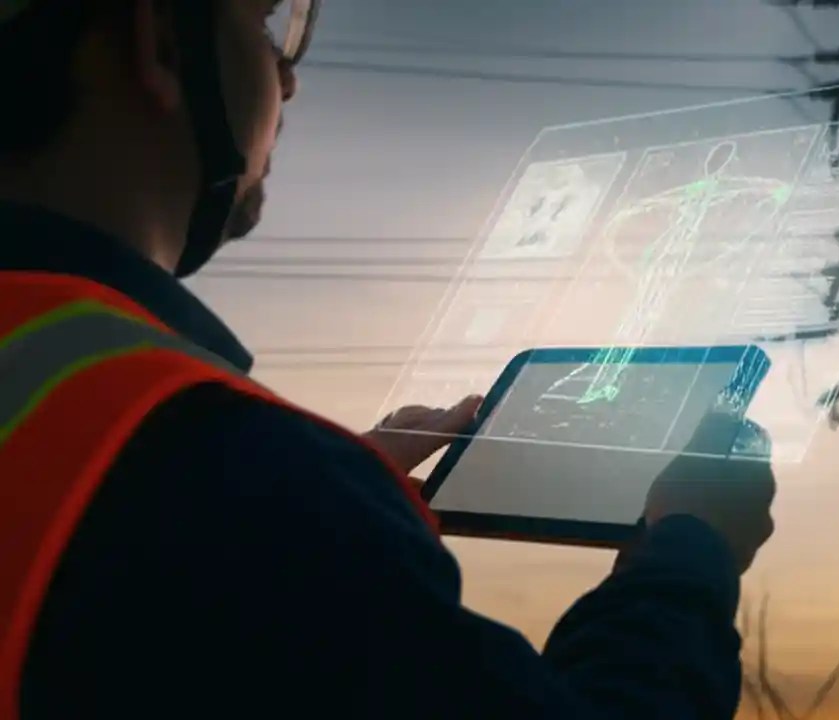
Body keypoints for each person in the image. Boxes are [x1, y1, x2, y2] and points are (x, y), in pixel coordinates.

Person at [0, 1, 776, 718]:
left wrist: (324, 504)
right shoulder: (220, 476)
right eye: (271, 22)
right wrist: (689, 550)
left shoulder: (215, 479)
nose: (289, 77)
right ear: (161, 41)